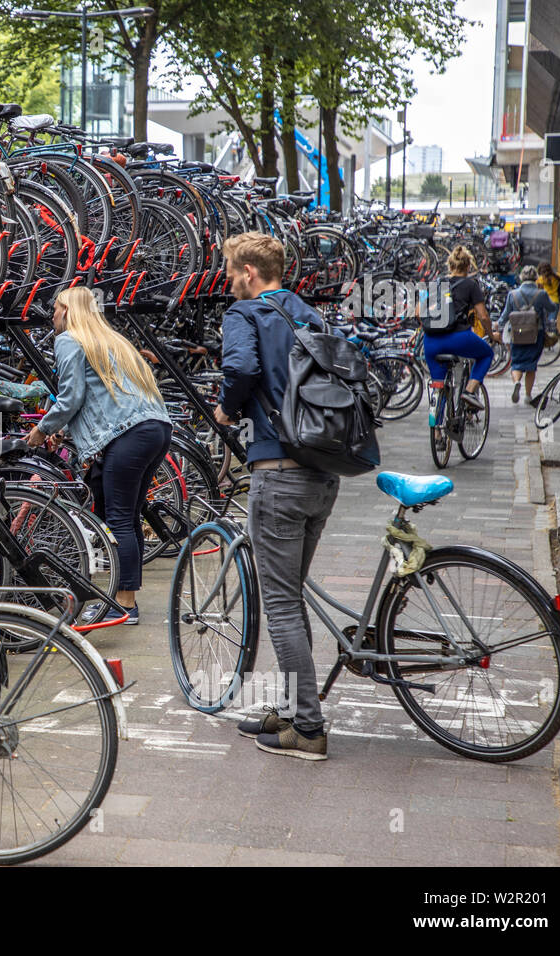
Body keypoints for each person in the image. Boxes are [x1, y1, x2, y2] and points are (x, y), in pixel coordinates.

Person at [213, 232, 338, 761]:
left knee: (282, 603)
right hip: (322, 476)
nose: (227, 280)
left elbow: (240, 370)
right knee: (291, 593)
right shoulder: (308, 314)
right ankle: (289, 709)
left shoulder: (245, 314)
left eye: (229, 271)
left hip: (278, 473)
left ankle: (307, 730)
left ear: (248, 272)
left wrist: (226, 408)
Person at [24, 286, 171, 624]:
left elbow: (71, 396)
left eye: (57, 308)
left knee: (118, 518)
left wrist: (42, 429)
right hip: (156, 429)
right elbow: (96, 394)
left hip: (128, 435)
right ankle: (124, 602)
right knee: (128, 515)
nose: (53, 315)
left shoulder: (68, 340)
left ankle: (123, 606)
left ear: (69, 311)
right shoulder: (110, 339)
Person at [424, 246, 493, 418]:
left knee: (438, 385)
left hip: (431, 341)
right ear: (468, 266)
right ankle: (469, 391)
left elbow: (419, 311)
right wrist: (492, 335)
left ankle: (437, 432)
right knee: (486, 354)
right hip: (459, 338)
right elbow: (483, 316)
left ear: (450, 265)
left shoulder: (438, 282)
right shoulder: (471, 285)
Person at [494, 264, 559, 405]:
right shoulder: (541, 294)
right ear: (536, 278)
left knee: (516, 363)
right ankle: (528, 396)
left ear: (521, 277)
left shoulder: (512, 294)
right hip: (536, 333)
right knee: (531, 365)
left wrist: (497, 327)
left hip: (516, 334)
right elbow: (552, 307)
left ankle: (517, 382)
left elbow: (505, 316)